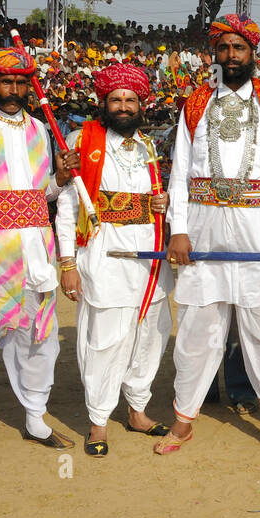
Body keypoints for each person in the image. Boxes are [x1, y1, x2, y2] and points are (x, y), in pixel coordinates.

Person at [160, 14, 260, 456]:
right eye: (224, 47)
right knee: (198, 328)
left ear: (252, 53)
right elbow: (179, 173)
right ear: (214, 54)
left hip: (259, 236)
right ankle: (184, 420)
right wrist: (178, 229)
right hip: (202, 232)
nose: (232, 55)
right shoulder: (195, 103)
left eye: (239, 48)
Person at [0, 48, 79, 458]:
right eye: (6, 82)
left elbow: (45, 193)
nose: (14, 90)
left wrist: (60, 178)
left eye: (22, 82)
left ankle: (35, 418)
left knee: (38, 338)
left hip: (34, 248)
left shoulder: (40, 130)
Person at [55, 63, 171, 456]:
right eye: (116, 99)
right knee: (105, 339)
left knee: (148, 336)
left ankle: (137, 410)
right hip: (104, 256)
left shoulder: (149, 146)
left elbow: (154, 202)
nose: (123, 106)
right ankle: (98, 420)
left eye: (131, 100)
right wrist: (68, 264)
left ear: (141, 105)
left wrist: (161, 203)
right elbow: (68, 207)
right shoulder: (82, 140)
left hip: (149, 258)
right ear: (103, 103)